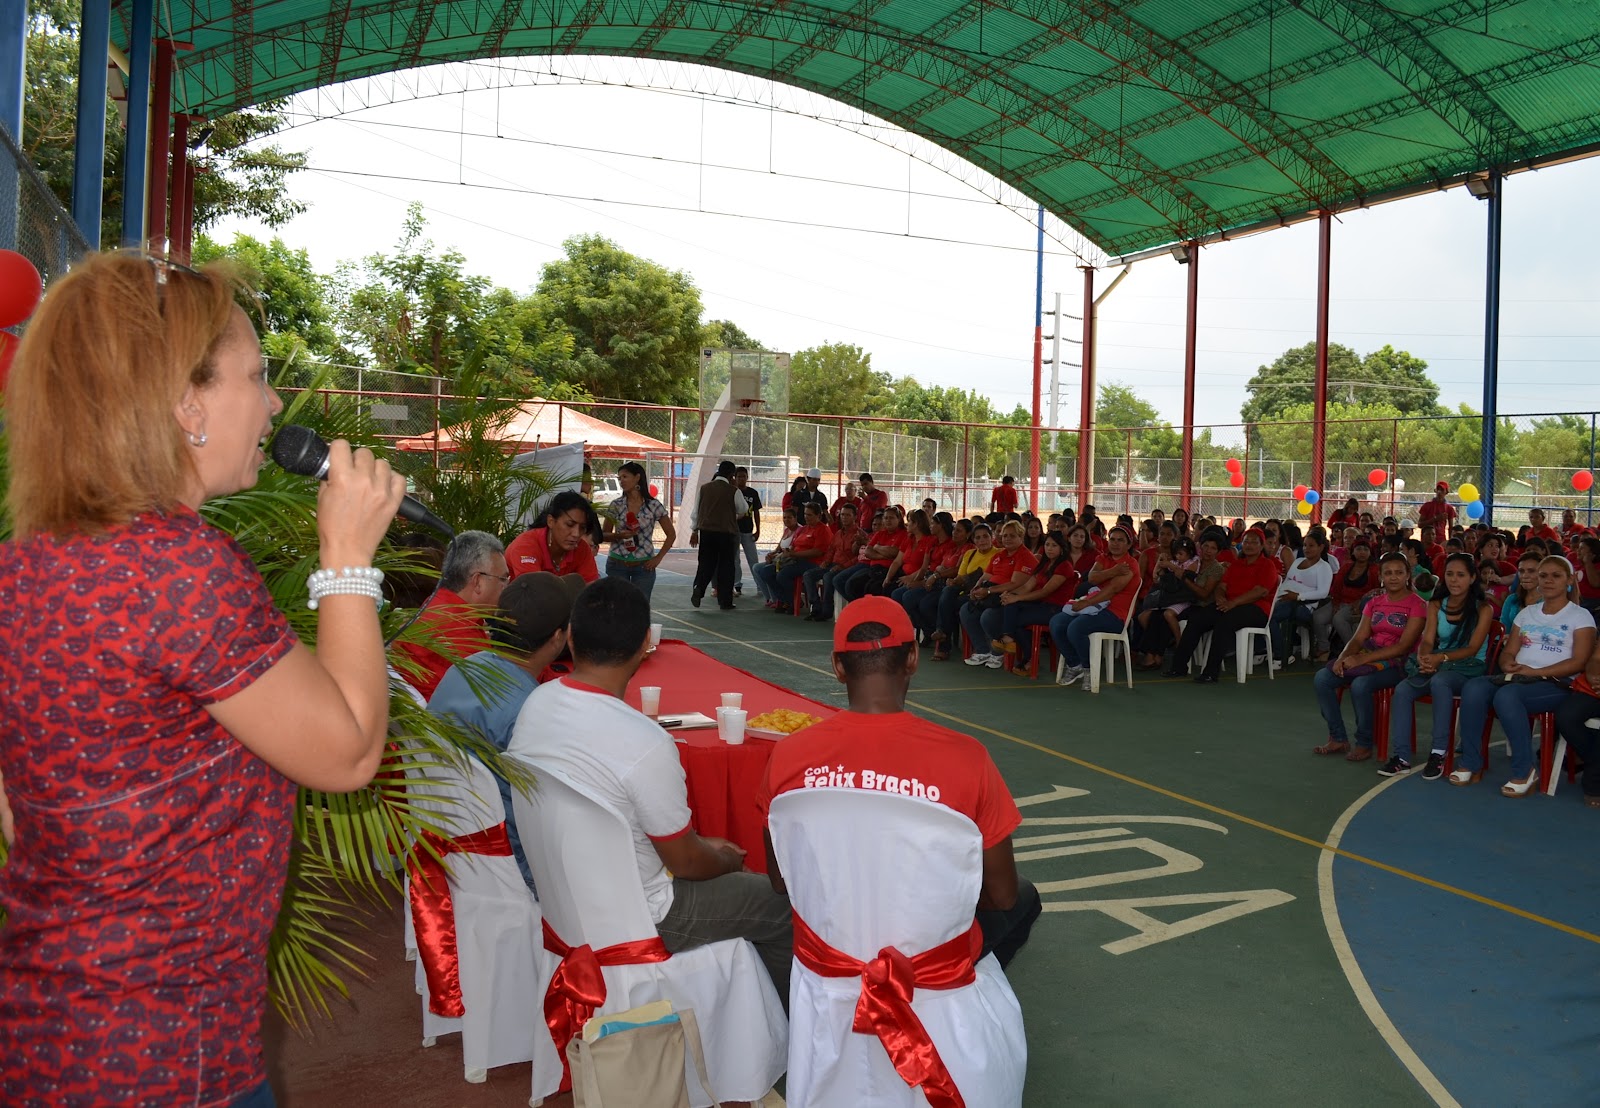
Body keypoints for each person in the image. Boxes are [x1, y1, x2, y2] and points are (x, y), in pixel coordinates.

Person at [0, 252, 405, 1106]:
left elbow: (18, 806)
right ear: (186, 405)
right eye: (256, 377)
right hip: (169, 1057)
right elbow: (349, 751)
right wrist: (347, 559)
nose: (275, 406)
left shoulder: (22, 570)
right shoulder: (174, 565)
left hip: (52, 1034)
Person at [507, 578, 793, 996]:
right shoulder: (646, 741)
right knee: (780, 904)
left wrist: (700, 849)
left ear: (569, 637)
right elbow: (689, 864)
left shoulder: (537, 703)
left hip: (565, 904)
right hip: (645, 916)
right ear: (645, 644)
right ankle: (790, 1048)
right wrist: (726, 861)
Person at [759, 596, 1039, 965]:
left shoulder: (787, 756)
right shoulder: (966, 757)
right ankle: (974, 987)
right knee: (1024, 896)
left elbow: (783, 881)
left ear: (838, 667)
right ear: (912, 659)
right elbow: (1001, 895)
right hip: (927, 958)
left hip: (832, 955)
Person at [427, 572, 579, 888]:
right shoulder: (531, 713)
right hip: (508, 863)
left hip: (441, 835)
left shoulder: (464, 667)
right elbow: (547, 816)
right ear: (558, 638)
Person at [1449, 556, 1597, 794]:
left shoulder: (1580, 616)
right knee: (1474, 688)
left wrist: (1537, 672)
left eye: (1556, 576)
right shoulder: (1527, 613)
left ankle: (1524, 771)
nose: (1548, 581)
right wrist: (1508, 663)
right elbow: (1508, 652)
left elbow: (1578, 662)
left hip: (1557, 684)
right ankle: (1471, 763)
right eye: (1543, 575)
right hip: (1519, 679)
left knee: (1507, 697)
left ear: (1569, 580)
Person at [1381, 553, 1494, 779]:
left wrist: (1440, 659)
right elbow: (1429, 640)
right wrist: (1424, 657)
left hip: (1468, 668)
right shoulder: (1435, 604)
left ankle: (1438, 753)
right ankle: (1401, 757)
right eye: (1450, 574)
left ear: (1472, 578)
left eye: (1461, 575)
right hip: (1438, 664)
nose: (1454, 580)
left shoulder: (1484, 609)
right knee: (1403, 689)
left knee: (1441, 682)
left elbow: (1472, 648)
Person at [1311, 553, 1426, 760]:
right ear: (1381, 576)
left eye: (1399, 573)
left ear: (1408, 575)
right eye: (1388, 573)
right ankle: (1338, 738)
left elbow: (1404, 647)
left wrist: (1361, 660)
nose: (1393, 577)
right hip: (1370, 655)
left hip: (1399, 664)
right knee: (1323, 678)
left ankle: (1364, 742)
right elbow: (1358, 638)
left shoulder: (1417, 605)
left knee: (1361, 685)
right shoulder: (1374, 603)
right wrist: (1343, 657)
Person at [396, 530, 512, 699]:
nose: (506, 587)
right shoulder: (460, 631)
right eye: (503, 579)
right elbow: (495, 697)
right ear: (478, 581)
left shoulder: (438, 602)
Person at [1166, 529, 1278, 684]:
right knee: (1198, 619)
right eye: (1246, 541)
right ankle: (1178, 667)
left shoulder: (1267, 565)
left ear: (1261, 546)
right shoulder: (1237, 564)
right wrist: (1219, 598)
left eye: (1254, 542)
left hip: (1256, 608)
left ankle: (1211, 672)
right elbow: (1222, 586)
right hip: (1228, 605)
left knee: (1224, 623)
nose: (1249, 545)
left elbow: (1260, 591)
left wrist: (1233, 603)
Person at [1050, 525, 1141, 686]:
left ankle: (1088, 669)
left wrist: (1086, 603)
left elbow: (1113, 589)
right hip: (1092, 607)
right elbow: (1092, 578)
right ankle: (1074, 665)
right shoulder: (1103, 558)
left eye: (1121, 540)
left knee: (1075, 628)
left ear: (1129, 544)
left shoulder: (1130, 564)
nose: (1115, 543)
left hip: (1115, 614)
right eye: (1112, 539)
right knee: (1057, 622)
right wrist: (1112, 571)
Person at [961, 520, 1041, 669]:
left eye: (1012, 535)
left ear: (1021, 537)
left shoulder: (1025, 556)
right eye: (1004, 536)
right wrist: (976, 589)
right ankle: (982, 651)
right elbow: (985, 576)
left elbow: (1015, 584)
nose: (1007, 539)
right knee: (966, 610)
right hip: (991, 595)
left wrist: (989, 591)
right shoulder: (1000, 554)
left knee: (988, 616)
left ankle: (997, 653)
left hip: (1010, 599)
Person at [993, 531, 1078, 668]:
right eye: (1047, 544)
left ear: (1062, 548)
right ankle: (1013, 643)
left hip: (1056, 609)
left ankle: (1027, 656)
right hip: (1041, 605)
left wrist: (1017, 598)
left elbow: (1045, 592)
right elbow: (1027, 586)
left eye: (1054, 545)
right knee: (1011, 605)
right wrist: (1010, 594)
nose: (1049, 548)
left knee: (1017, 619)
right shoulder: (1044, 564)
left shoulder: (1065, 566)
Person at [602, 461, 675, 601]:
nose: (621, 481)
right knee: (617, 606)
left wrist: (658, 558)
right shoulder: (615, 505)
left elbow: (671, 535)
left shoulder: (653, 505)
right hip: (616, 564)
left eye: (625, 476)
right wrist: (619, 535)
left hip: (644, 567)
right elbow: (604, 535)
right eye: (619, 478)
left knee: (640, 606)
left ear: (637, 478)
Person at [1268, 530, 1334, 667]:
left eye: (1311, 546)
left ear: (1321, 547)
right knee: (1264, 613)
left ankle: (1282, 655)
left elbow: (1322, 593)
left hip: (1303, 607)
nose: (1306, 549)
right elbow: (1288, 581)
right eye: (1304, 545)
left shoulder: (1324, 567)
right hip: (1284, 599)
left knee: (1271, 617)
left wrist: (1298, 596)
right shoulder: (1298, 561)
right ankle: (1266, 650)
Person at [933, 523, 997, 661]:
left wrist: (970, 579)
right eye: (978, 538)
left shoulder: (999, 553)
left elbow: (994, 576)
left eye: (985, 536)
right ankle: (941, 633)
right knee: (948, 591)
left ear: (992, 537)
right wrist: (954, 581)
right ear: (973, 540)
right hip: (967, 591)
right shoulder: (970, 554)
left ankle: (943, 642)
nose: (982, 541)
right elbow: (961, 577)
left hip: (985, 593)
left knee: (948, 606)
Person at [506, 490, 601, 583]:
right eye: (569, 524)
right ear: (550, 521)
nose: (576, 533)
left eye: (582, 528)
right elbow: (533, 593)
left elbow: (591, 592)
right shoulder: (526, 546)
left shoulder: (582, 548)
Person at [689, 459, 746, 610]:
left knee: (706, 564)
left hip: (706, 533)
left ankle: (699, 588)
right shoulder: (734, 490)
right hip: (726, 534)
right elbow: (743, 509)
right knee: (726, 567)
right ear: (731, 475)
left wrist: (694, 530)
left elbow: (695, 512)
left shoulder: (704, 488)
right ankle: (725, 601)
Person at [757, 501, 832, 613]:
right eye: (805, 514)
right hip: (794, 560)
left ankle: (793, 602)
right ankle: (788, 600)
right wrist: (778, 555)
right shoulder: (804, 529)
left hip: (812, 563)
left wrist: (794, 554)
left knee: (783, 575)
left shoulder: (823, 530)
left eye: (810, 515)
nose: (806, 517)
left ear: (819, 516)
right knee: (765, 571)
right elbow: (794, 546)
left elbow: (818, 552)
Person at [1553, 636, 1600, 809]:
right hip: (1594, 689)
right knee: (1566, 716)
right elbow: (1596, 658)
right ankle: (1595, 763)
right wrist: (1594, 674)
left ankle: (1594, 782)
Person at [1315, 539, 1376, 660]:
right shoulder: (1346, 567)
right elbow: (1337, 587)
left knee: (1338, 619)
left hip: (1358, 605)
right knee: (1318, 617)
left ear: (1370, 553)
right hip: (1340, 601)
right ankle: (1324, 646)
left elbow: (1375, 591)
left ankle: (1352, 650)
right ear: (1353, 552)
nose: (1362, 552)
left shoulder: (1374, 569)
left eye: (1365, 549)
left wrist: (1360, 602)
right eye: (1358, 549)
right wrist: (1336, 603)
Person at [806, 502, 862, 622]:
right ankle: (816, 608)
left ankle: (827, 611)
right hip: (832, 564)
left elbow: (859, 557)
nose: (844, 518)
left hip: (847, 567)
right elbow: (831, 549)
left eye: (848, 515)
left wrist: (842, 566)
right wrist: (826, 561)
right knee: (808, 575)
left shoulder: (859, 535)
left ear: (855, 517)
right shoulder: (838, 533)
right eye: (842, 515)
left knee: (828, 577)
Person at [731, 465, 769, 603]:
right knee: (735, 560)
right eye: (739, 476)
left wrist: (758, 529)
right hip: (734, 531)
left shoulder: (752, 493)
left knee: (753, 559)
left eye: (744, 476)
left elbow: (756, 512)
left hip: (748, 530)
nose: (741, 479)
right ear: (735, 478)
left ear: (747, 478)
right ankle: (737, 584)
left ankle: (760, 585)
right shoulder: (732, 492)